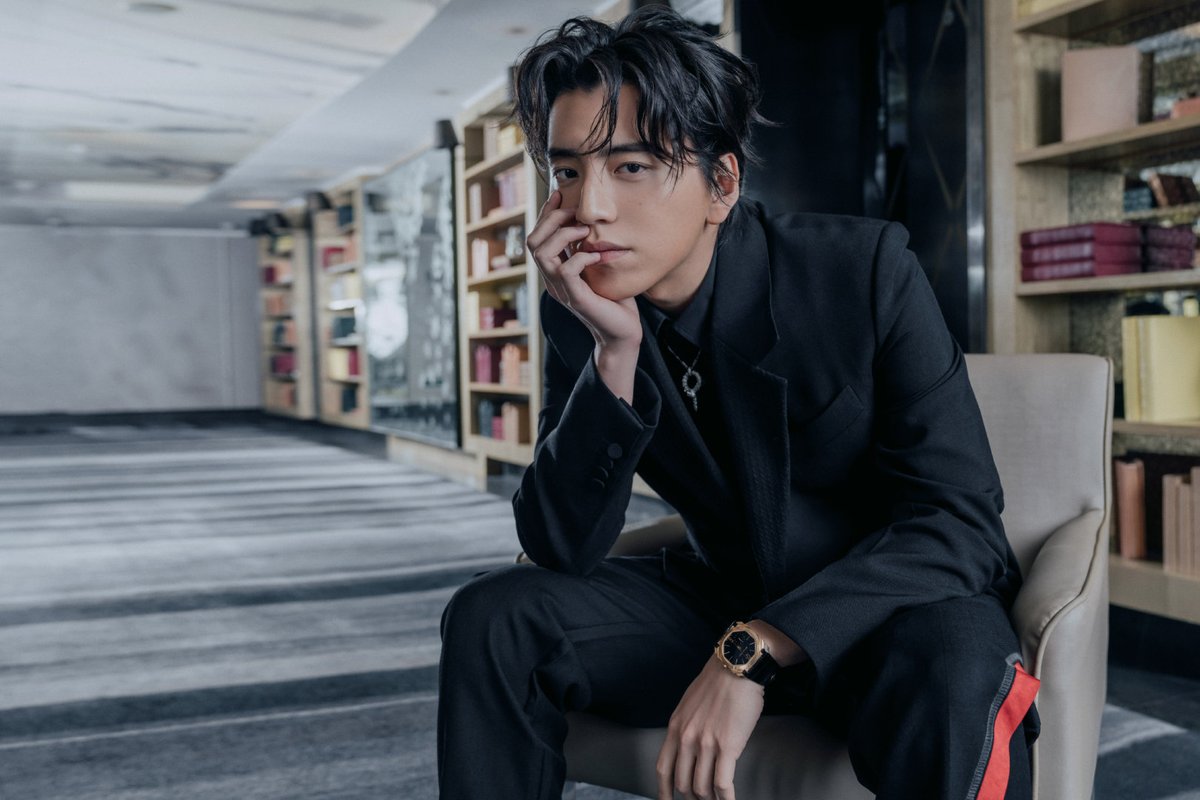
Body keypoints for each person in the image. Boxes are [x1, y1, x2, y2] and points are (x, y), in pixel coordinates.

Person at [438, 7, 1039, 799]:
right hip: (719, 599)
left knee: (959, 662)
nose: (589, 209)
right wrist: (612, 356)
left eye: (631, 167)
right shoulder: (578, 312)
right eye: (568, 172)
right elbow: (559, 544)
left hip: (887, 613)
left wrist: (754, 650)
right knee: (493, 616)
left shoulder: (861, 270)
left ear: (721, 184)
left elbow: (960, 524)